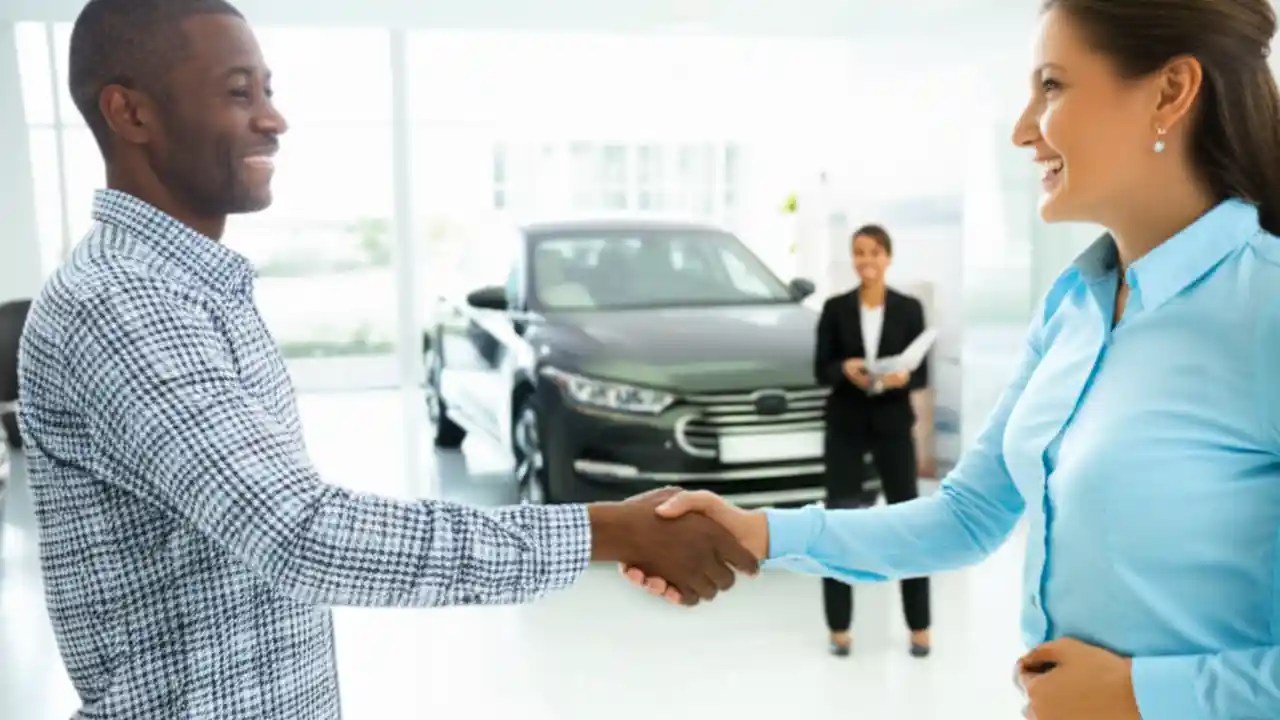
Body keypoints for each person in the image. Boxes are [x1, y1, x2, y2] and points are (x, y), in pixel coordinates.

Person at [16, 2, 757, 718]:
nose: (273, 118)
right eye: (238, 92)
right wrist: (607, 531)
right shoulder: (123, 304)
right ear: (131, 113)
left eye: (268, 91)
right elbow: (304, 535)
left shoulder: (190, 289)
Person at [626, 1, 1280, 718]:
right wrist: (761, 531)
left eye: (1053, 86)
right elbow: (967, 516)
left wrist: (1139, 694)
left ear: (1169, 92)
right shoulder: (1075, 307)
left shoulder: (1265, 309)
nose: (1022, 128)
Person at [814, 224, 931, 658]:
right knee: (839, 522)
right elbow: (819, 369)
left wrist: (903, 377)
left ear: (888, 257)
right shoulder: (834, 308)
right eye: (859, 253)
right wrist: (844, 367)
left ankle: (920, 627)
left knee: (909, 523)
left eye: (875, 252)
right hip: (845, 424)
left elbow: (922, 373)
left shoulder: (909, 308)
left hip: (892, 422)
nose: (867, 261)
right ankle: (839, 627)